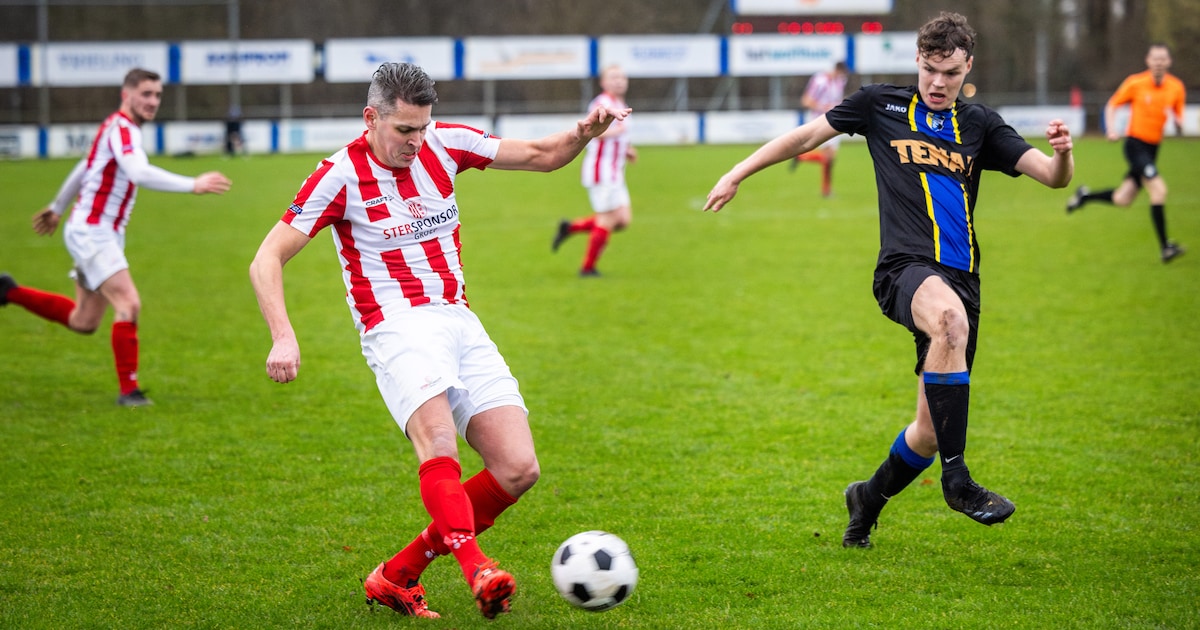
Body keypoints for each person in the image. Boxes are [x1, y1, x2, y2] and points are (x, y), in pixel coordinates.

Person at [248, 62, 629, 619]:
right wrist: (283, 336)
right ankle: (478, 567)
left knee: (518, 468)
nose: (416, 141)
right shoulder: (339, 174)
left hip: (458, 320)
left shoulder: (445, 142)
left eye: (422, 127)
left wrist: (582, 133)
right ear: (370, 118)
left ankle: (398, 574)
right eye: (404, 130)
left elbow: (543, 156)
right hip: (395, 325)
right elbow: (267, 257)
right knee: (439, 444)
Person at [703, 12, 1074, 548]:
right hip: (905, 269)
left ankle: (867, 499)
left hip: (962, 280)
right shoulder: (881, 105)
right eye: (929, 70)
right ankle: (958, 479)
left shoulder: (981, 126)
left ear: (968, 65)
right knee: (947, 321)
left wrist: (1063, 155)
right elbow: (807, 134)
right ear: (917, 64)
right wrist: (736, 172)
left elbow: (1050, 177)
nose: (938, 82)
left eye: (949, 72)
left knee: (926, 431)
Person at [1, 68, 231, 407]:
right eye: (146, 94)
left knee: (84, 321)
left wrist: (57, 206)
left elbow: (85, 166)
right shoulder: (123, 129)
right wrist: (192, 184)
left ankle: (9, 291)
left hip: (97, 232)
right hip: (93, 232)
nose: (153, 102)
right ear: (127, 95)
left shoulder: (114, 127)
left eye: (157, 96)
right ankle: (129, 392)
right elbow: (137, 172)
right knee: (129, 303)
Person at [1066, 43, 1186, 263]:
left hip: (1153, 149)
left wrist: (1178, 123)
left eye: (1163, 59)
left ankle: (1085, 196)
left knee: (1123, 198)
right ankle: (1165, 247)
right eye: (1155, 59)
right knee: (1159, 191)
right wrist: (1111, 129)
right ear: (1148, 61)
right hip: (1135, 145)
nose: (1159, 63)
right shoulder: (1136, 83)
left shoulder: (1176, 87)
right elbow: (1112, 105)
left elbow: (1179, 122)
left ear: (1168, 62)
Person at [551, 64, 637, 277]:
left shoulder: (619, 103)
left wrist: (625, 149)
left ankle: (569, 228)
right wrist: (617, 132)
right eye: (614, 77)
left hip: (616, 170)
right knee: (607, 219)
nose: (619, 81)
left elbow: (615, 136)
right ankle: (587, 268)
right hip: (602, 170)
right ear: (603, 82)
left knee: (623, 219)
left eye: (622, 77)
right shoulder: (602, 103)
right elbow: (591, 132)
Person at [789, 60, 850, 197]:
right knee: (828, 158)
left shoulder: (840, 81)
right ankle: (826, 190)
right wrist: (823, 108)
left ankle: (802, 158)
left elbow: (837, 100)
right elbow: (806, 100)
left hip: (835, 120)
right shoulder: (820, 81)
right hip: (820, 121)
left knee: (831, 159)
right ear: (837, 70)